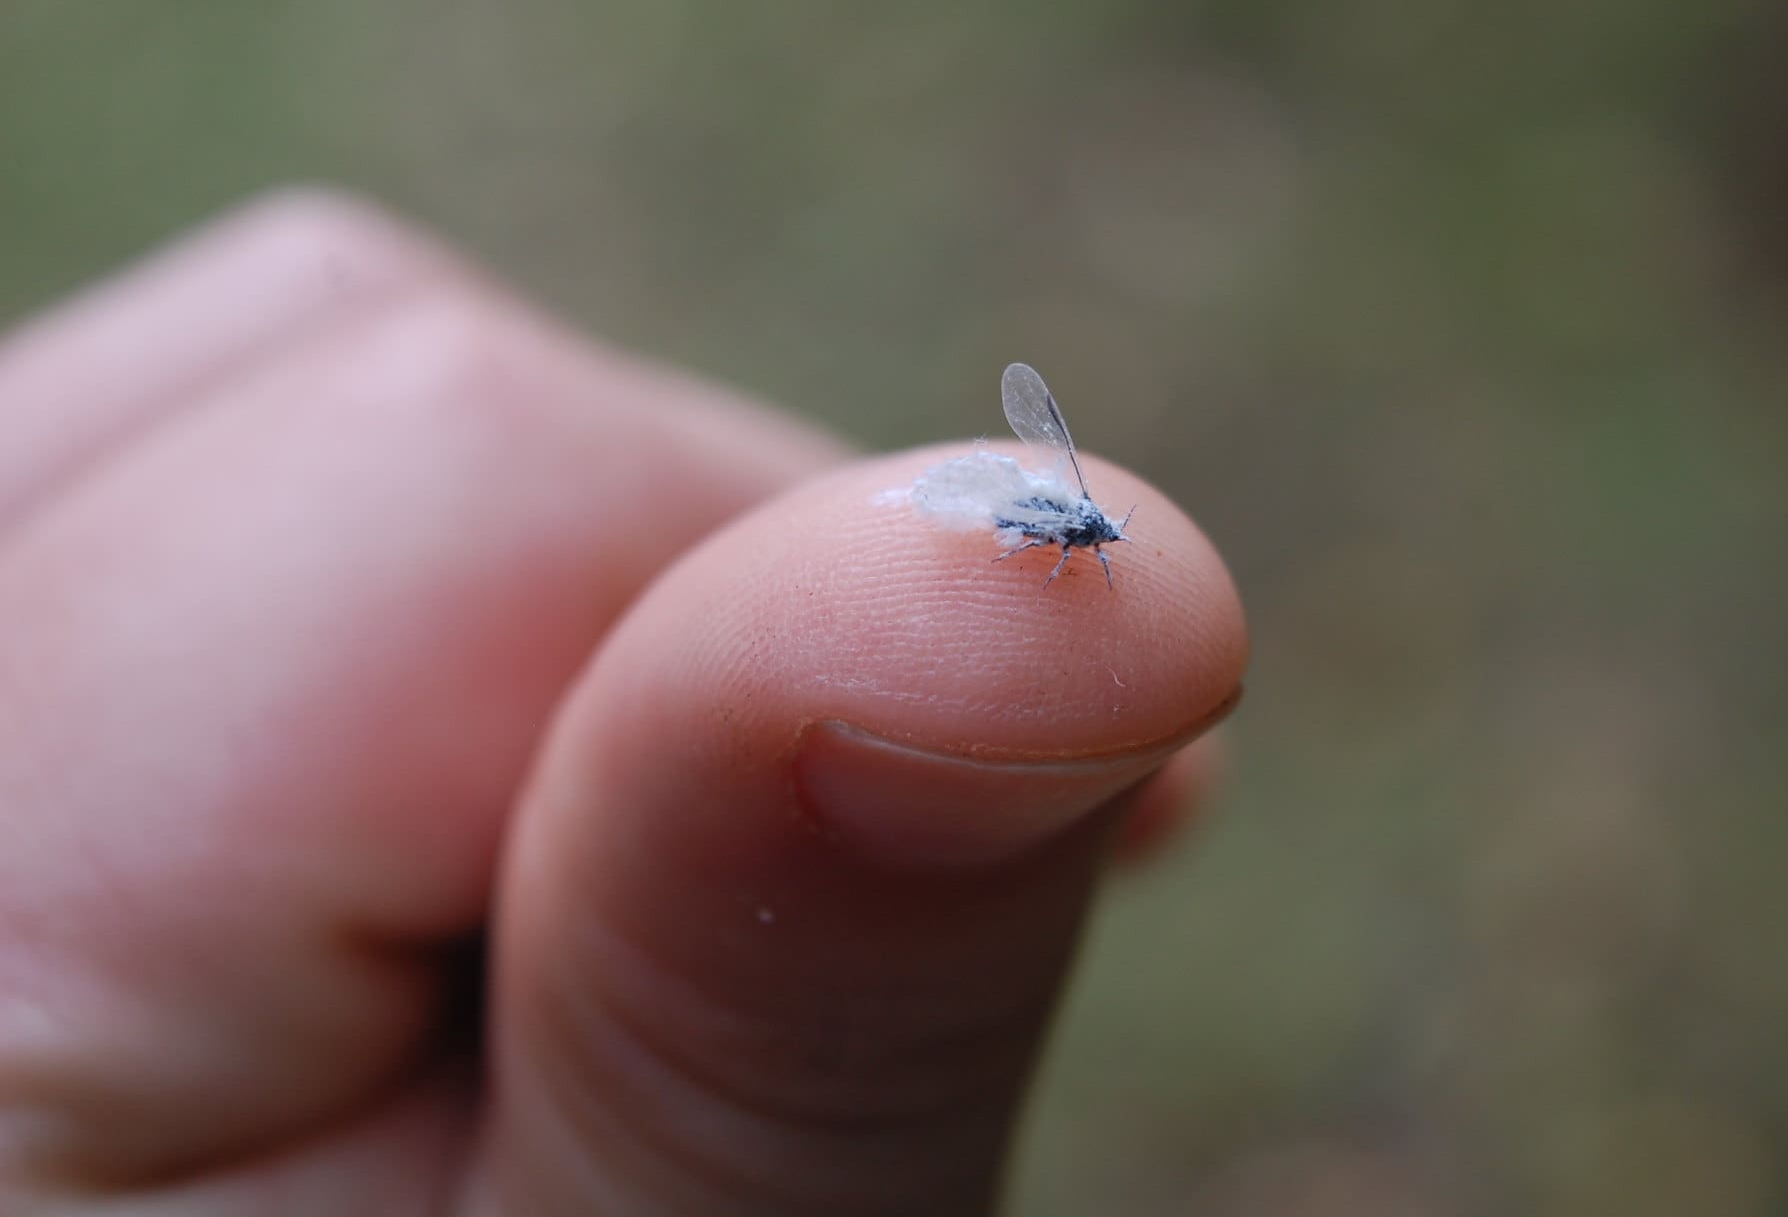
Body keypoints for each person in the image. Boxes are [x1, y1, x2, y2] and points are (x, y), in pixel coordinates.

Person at [0, 191, 1248, 1215]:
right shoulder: (1050, 534)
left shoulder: (1074, 534)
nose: (1093, 538)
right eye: (1092, 533)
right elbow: (1023, 541)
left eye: (1090, 535)